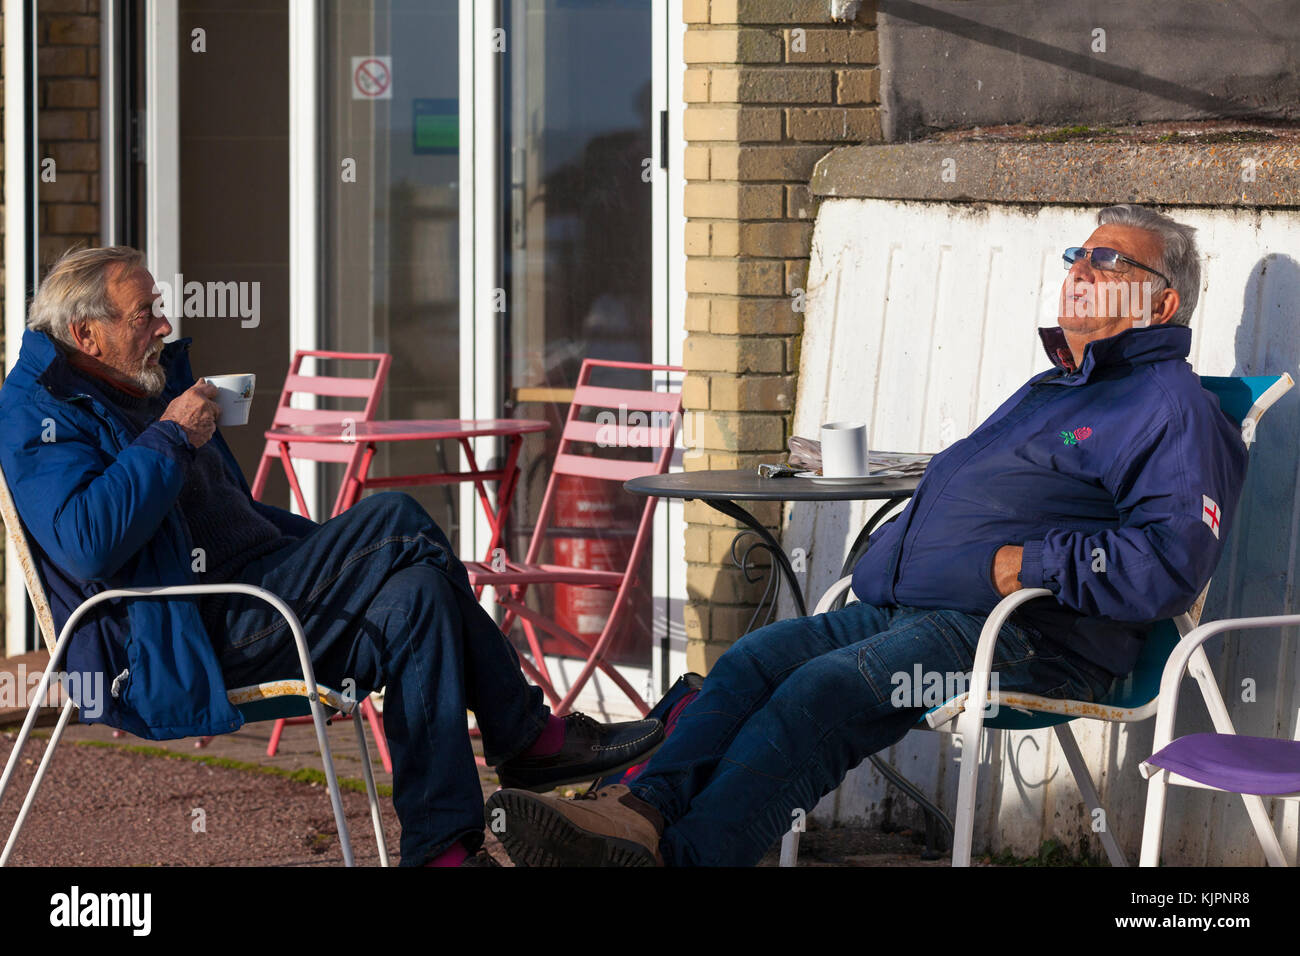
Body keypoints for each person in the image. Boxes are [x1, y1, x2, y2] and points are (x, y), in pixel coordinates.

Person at [486, 203, 1249, 866]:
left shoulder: (1172, 410)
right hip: (915, 607)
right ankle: (635, 816)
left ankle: (681, 859)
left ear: (1162, 301)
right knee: (754, 660)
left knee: (823, 690)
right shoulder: (1054, 387)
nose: (1081, 267)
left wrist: (1023, 564)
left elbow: (1170, 561)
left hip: (1026, 636)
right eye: (1076, 253)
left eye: (1108, 259)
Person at [0, 245, 663, 867]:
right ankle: (523, 736)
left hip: (260, 595)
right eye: (144, 312)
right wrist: (173, 434)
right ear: (85, 333)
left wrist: (344, 556)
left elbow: (243, 519)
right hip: (191, 631)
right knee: (400, 520)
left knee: (420, 593)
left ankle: (443, 849)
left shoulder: (136, 385)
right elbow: (88, 543)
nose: (164, 324)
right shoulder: (38, 414)